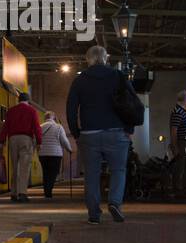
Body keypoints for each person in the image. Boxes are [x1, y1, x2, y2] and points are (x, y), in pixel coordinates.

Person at [66, 45, 139, 224]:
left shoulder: (80, 80)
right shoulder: (118, 76)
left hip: (89, 134)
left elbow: (70, 109)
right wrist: (129, 129)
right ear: (106, 58)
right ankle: (114, 202)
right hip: (116, 133)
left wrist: (76, 133)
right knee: (118, 170)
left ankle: (93, 214)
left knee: (91, 174)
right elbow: (132, 103)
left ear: (87, 59)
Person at [0, 92, 41, 202]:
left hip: (12, 139)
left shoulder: (11, 111)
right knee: (24, 167)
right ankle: (22, 193)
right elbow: (36, 127)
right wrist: (39, 142)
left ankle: (14, 193)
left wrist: (1, 141)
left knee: (15, 167)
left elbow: (5, 126)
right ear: (28, 101)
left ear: (19, 100)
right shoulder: (32, 111)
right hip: (26, 139)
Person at [38, 110, 72, 198]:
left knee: (45, 172)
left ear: (45, 118)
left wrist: (37, 149)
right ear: (54, 117)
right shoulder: (59, 127)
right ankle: (49, 190)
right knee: (53, 173)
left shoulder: (40, 127)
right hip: (55, 154)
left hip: (43, 154)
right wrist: (69, 149)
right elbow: (64, 140)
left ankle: (47, 191)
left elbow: (36, 140)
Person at [168, 89, 186, 199]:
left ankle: (185, 190)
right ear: (185, 99)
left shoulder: (182, 111)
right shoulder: (178, 112)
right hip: (181, 142)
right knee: (180, 167)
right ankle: (178, 191)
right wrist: (175, 146)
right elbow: (173, 130)